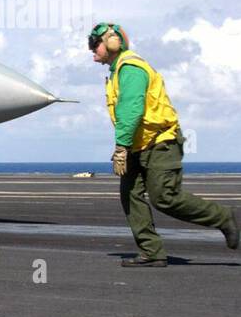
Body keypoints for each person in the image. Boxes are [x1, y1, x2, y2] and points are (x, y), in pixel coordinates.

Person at [89, 21, 238, 266]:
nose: (91, 49)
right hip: (139, 144)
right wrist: (127, 146)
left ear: (112, 42)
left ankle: (224, 218)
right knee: (130, 195)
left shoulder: (131, 68)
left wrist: (120, 147)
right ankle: (151, 252)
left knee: (164, 198)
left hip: (160, 142)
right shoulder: (117, 71)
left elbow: (132, 109)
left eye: (95, 43)